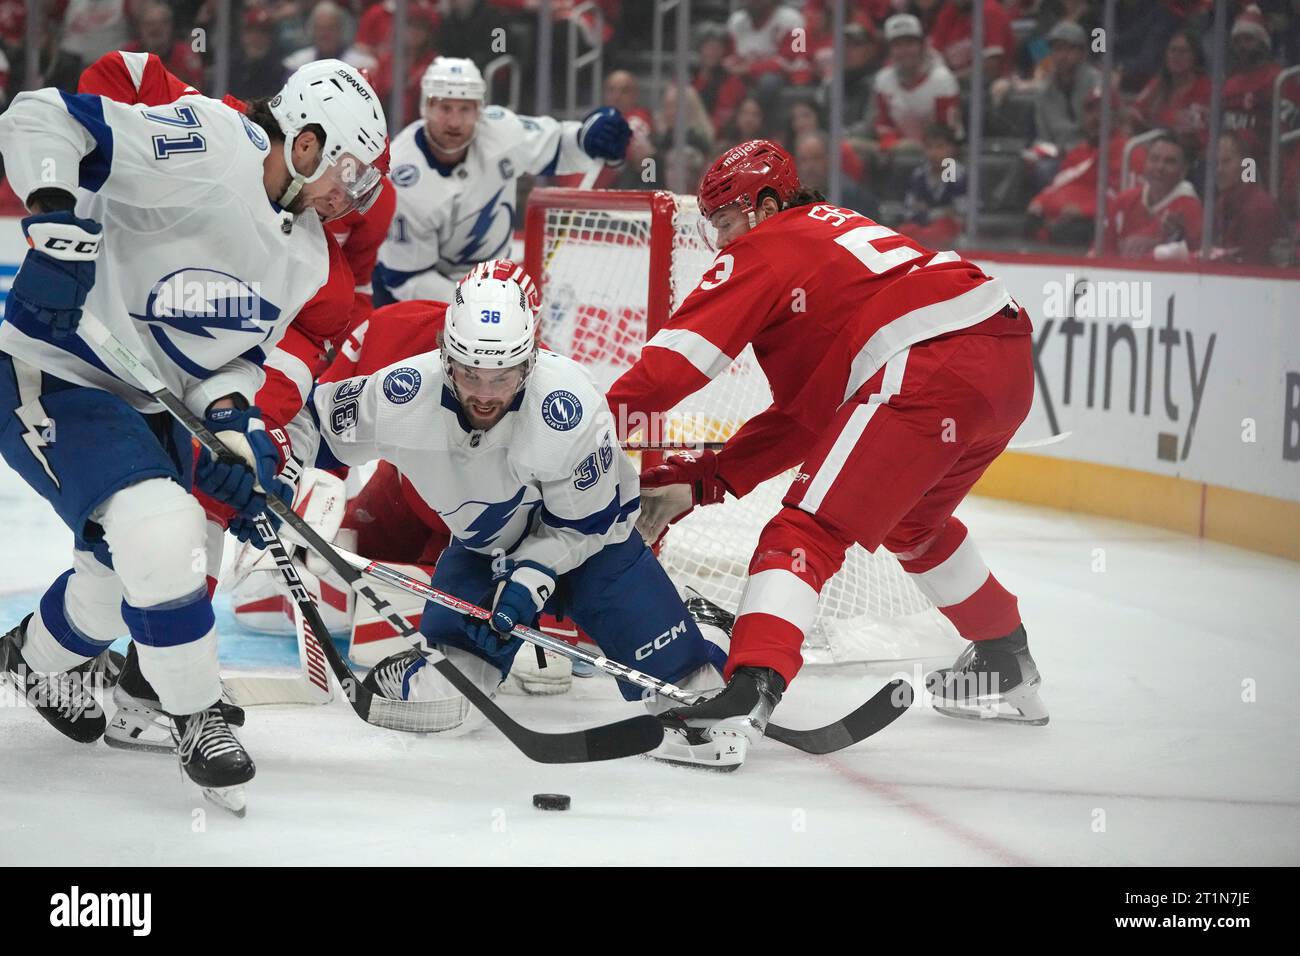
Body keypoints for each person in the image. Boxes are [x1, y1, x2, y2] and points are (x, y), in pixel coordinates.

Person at [0, 58, 388, 810]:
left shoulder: (304, 257)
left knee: (122, 574)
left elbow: (221, 360)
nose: (354, 194)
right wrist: (53, 224)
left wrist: (236, 432)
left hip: (141, 397)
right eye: (350, 170)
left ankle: (35, 659)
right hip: (56, 367)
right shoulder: (209, 145)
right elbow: (37, 116)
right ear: (305, 145)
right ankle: (194, 715)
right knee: (165, 530)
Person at [606, 139, 1047, 750]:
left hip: (930, 359)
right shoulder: (833, 241)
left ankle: (747, 692)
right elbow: (809, 420)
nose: (724, 242)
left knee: (804, 531)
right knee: (914, 524)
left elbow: (670, 368)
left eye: (728, 222)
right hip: (1004, 360)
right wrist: (706, 480)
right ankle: (1004, 655)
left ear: (763, 205)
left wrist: (582, 431)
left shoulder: (769, 245)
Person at [296, 266, 739, 767]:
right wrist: (272, 462)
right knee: (443, 712)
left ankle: (705, 629)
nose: (485, 393)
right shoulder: (404, 392)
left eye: (502, 376)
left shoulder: (567, 405)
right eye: (469, 374)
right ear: (447, 356)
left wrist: (528, 583)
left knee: (706, 722)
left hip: (597, 550)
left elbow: (580, 528)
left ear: (528, 364)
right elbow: (312, 425)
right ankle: (417, 666)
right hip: (486, 551)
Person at [373, 56, 630, 304]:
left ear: (479, 111)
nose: (454, 121)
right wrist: (473, 305)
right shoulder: (401, 175)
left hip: (490, 285)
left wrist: (590, 137)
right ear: (425, 108)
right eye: (444, 107)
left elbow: (560, 145)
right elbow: (407, 278)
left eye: (465, 109)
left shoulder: (501, 131)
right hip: (405, 298)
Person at [1102, 133, 1203, 259]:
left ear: (1184, 170)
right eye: (1154, 159)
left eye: (1169, 162)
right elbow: (1102, 248)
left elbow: (1194, 256)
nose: (1160, 167)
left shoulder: (1190, 207)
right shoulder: (1125, 200)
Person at [871, 13, 961, 154]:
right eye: (897, 45)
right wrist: (892, 146)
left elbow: (948, 133)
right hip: (899, 154)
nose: (904, 51)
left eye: (910, 43)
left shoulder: (942, 80)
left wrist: (915, 147)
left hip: (940, 156)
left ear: (923, 45)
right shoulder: (883, 80)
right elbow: (884, 125)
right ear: (889, 51)